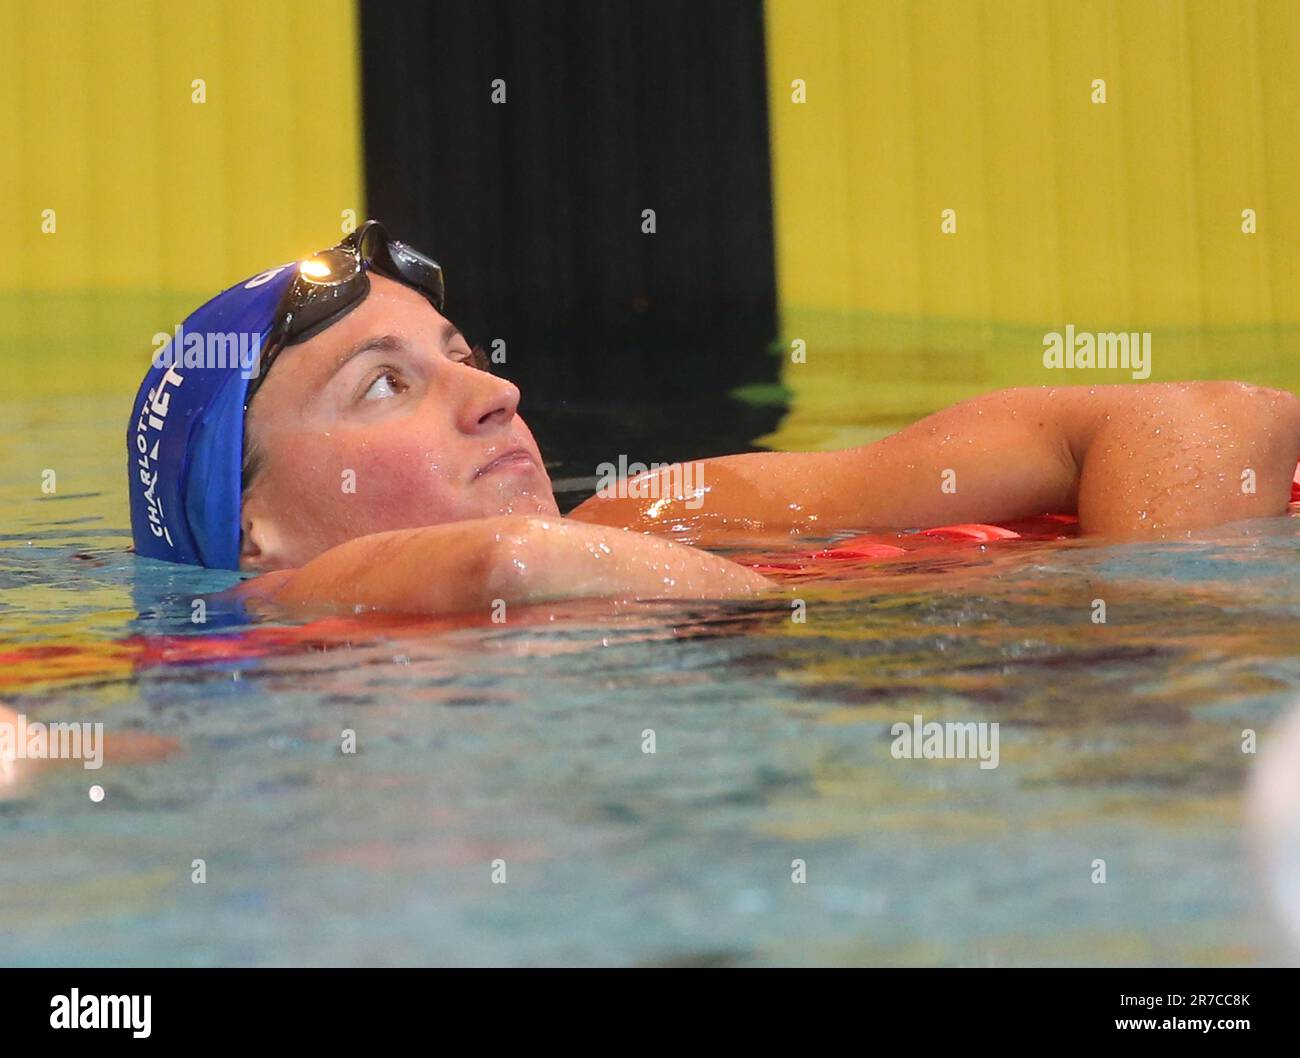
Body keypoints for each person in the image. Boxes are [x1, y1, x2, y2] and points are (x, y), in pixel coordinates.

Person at [128, 222, 1300, 617]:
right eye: (385, 385)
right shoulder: (250, 643)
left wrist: (1158, 659)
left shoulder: (670, 513)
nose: (496, 393)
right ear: (248, 531)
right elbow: (509, 566)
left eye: (462, 356)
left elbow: (1212, 421)